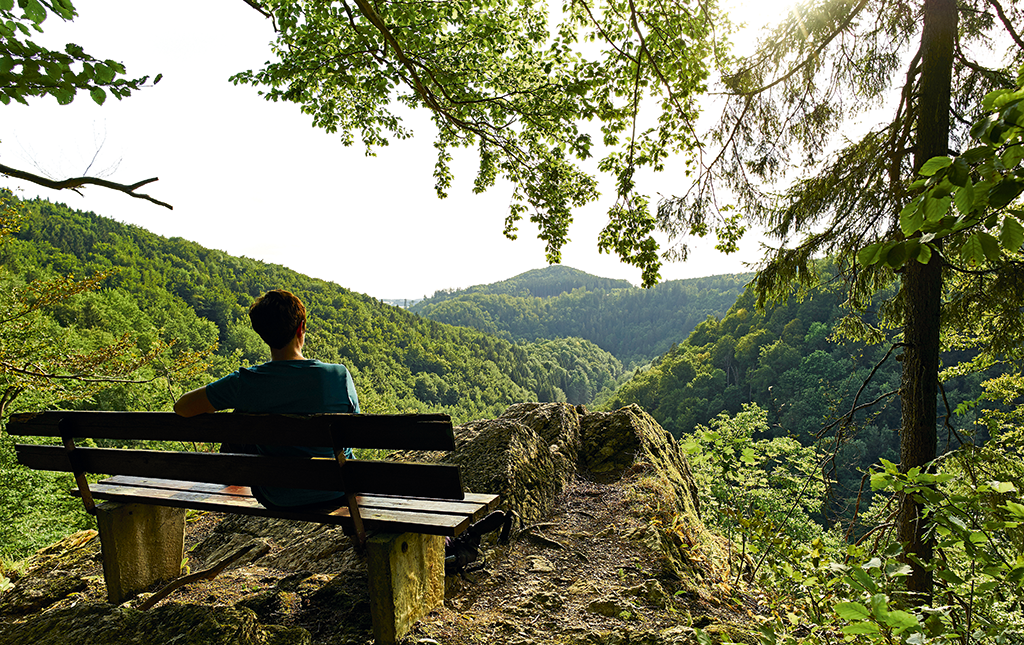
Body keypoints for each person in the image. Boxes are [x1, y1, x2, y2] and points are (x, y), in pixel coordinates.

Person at [174, 289, 359, 508]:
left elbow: (182, 407)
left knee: (240, 415)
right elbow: (352, 433)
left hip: (276, 496)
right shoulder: (338, 376)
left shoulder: (244, 382)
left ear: (262, 333)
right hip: (337, 489)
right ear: (301, 327)